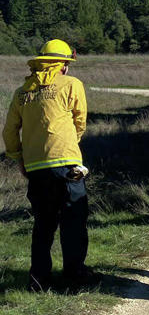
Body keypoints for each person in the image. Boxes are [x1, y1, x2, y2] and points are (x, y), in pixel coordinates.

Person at [2, 39, 95, 292]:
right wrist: (68, 145)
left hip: (36, 168)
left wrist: (19, 159)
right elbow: (80, 122)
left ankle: (39, 280)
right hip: (66, 165)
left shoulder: (22, 92)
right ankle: (75, 275)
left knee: (43, 224)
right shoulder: (72, 84)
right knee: (73, 220)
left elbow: (10, 131)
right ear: (64, 65)